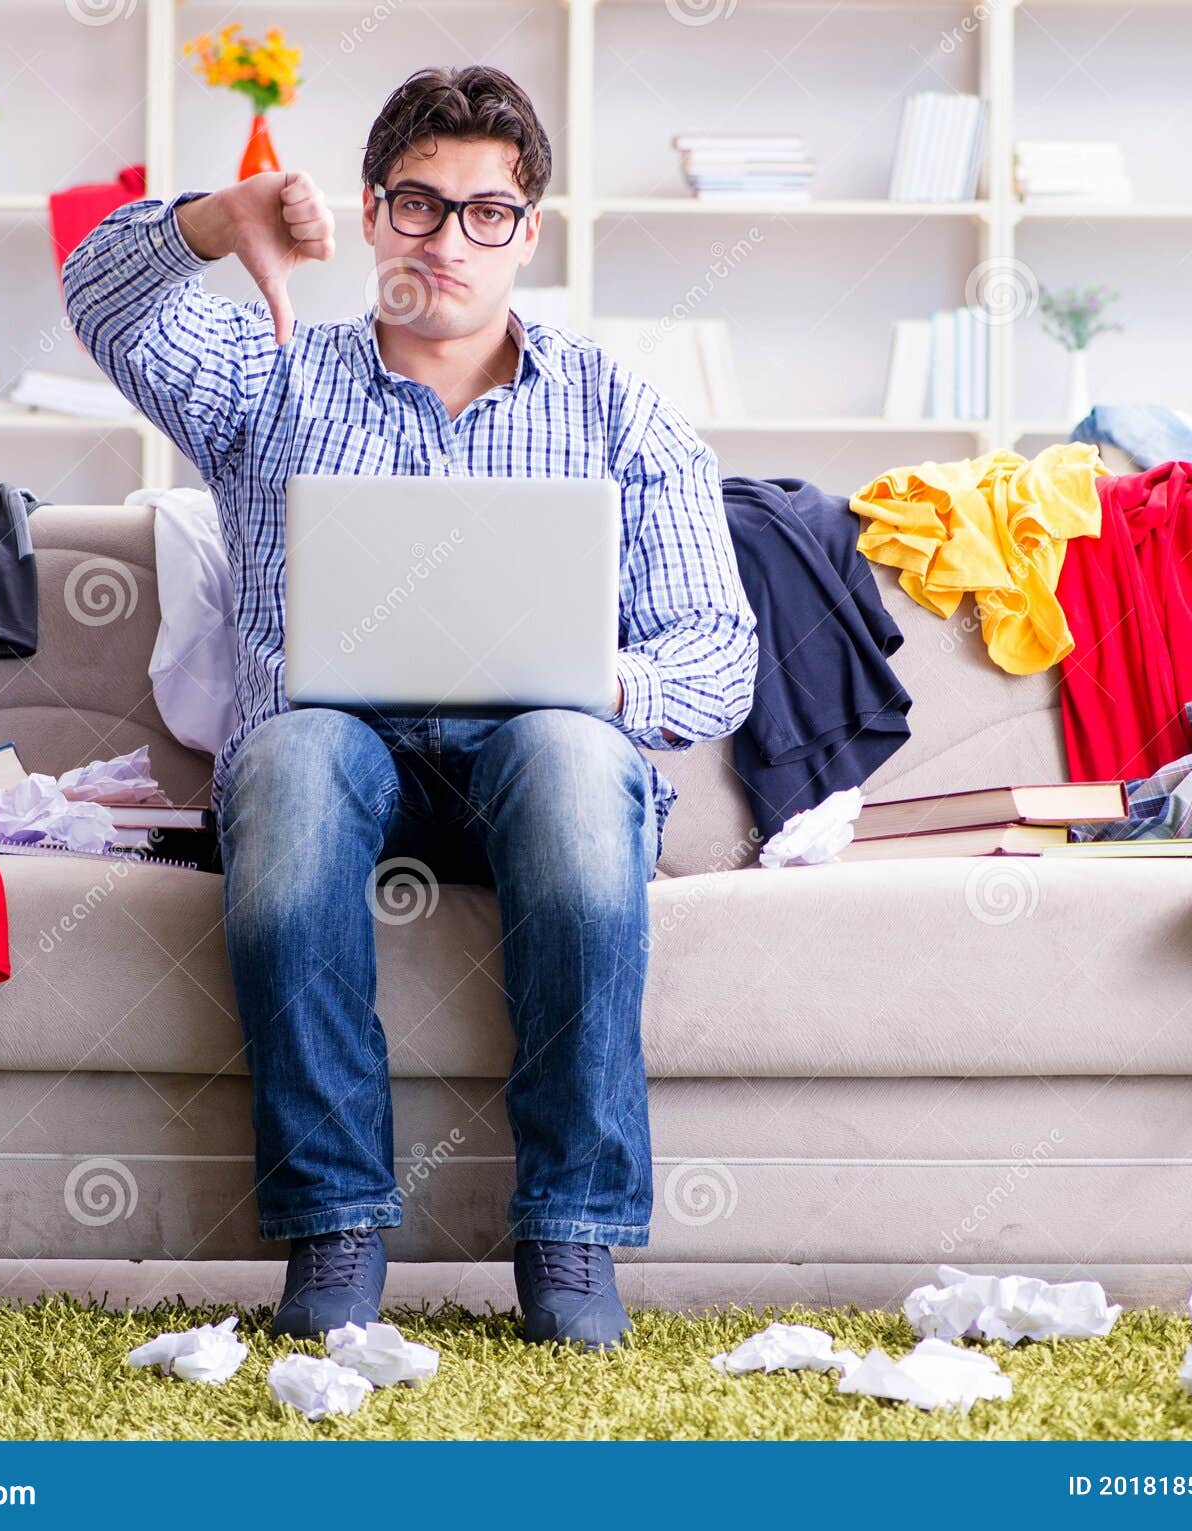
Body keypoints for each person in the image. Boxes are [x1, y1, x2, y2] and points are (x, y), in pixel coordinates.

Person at [62, 65, 757, 1350]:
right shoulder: (267, 377)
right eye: (419, 207)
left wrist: (601, 679)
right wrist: (221, 218)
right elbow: (98, 291)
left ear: (526, 235)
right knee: (285, 760)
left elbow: (718, 650)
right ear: (373, 218)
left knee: (568, 756)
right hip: (327, 754)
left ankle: (572, 1231)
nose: (448, 242)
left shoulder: (616, 406)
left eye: (484, 213)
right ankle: (333, 1224)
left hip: (536, 752)